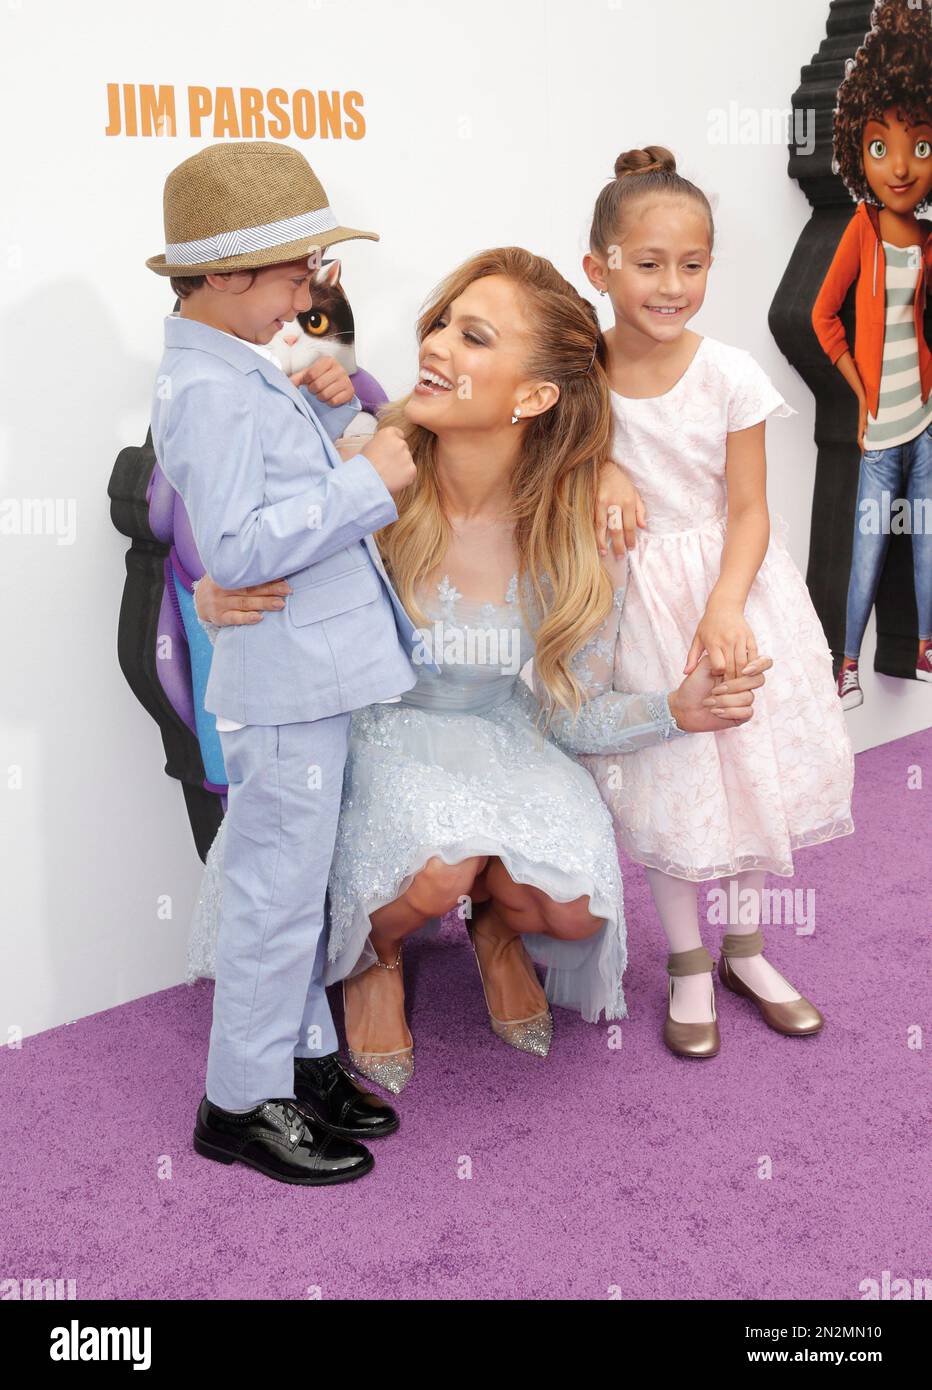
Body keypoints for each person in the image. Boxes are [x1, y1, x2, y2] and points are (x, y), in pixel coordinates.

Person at [191, 246, 771, 1092]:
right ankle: (375, 954)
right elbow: (254, 558)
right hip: (374, 733)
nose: (434, 347)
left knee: (572, 908)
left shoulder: (577, 528)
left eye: (473, 337)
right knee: (436, 865)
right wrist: (216, 596)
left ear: (535, 396)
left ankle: (495, 924)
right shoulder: (364, 471)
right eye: (439, 325)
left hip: (502, 732)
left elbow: (572, 716)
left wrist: (674, 711)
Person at [147, 139, 440, 1183]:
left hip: (305, 670)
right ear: (224, 275)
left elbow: (270, 494)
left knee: (301, 881)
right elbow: (235, 546)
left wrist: (324, 414)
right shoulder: (209, 388)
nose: (309, 288)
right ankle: (238, 1099)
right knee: (276, 889)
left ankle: (302, 1059)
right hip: (283, 681)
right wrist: (373, 482)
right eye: (292, 270)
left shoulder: (241, 370)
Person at [585, 146, 855, 1058]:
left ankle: (747, 950)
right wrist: (605, 462)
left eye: (691, 266)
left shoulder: (731, 372)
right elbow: (544, 453)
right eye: (649, 264)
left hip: (731, 592)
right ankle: (689, 962)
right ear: (600, 268)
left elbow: (749, 509)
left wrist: (728, 607)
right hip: (635, 604)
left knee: (743, 767)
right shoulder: (577, 372)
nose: (672, 285)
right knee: (672, 780)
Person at [810, 0, 932, 708]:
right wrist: (860, 393)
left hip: (925, 422)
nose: (902, 166)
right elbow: (822, 315)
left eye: (921, 145)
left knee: (925, 544)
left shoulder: (929, 238)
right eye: (881, 147)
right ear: (858, 147)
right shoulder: (859, 227)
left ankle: (921, 646)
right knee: (862, 553)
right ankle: (845, 665)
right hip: (879, 429)